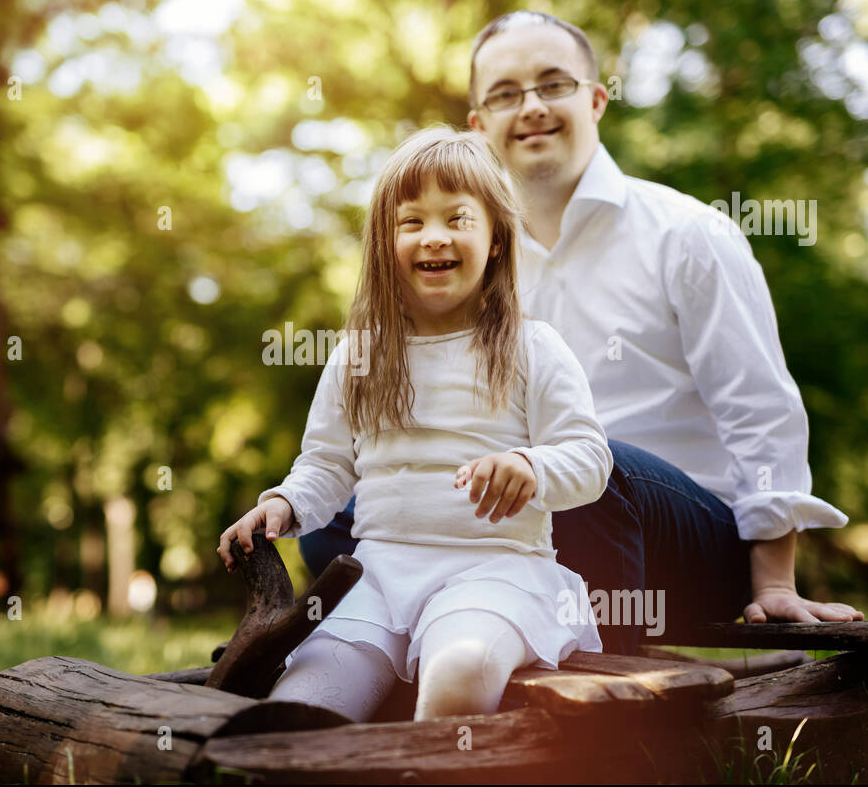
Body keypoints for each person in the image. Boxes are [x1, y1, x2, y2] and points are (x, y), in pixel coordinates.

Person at [299, 11, 863, 653]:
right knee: (339, 516)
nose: (532, 106)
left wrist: (773, 581)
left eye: (553, 84)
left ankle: (599, 695)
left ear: (596, 99)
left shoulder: (687, 234)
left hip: (679, 541)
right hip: (512, 535)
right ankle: (427, 637)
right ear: (479, 125)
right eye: (506, 93)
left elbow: (760, 407)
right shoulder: (470, 260)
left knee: (589, 462)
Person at [217, 126, 610, 723]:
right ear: (384, 241)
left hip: (497, 574)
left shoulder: (534, 346)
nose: (434, 237)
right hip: (375, 578)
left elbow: (590, 458)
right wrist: (285, 505)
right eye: (411, 222)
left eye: (458, 219)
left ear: (497, 240)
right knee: (306, 698)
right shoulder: (359, 355)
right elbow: (326, 465)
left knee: (462, 670)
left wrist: (532, 464)